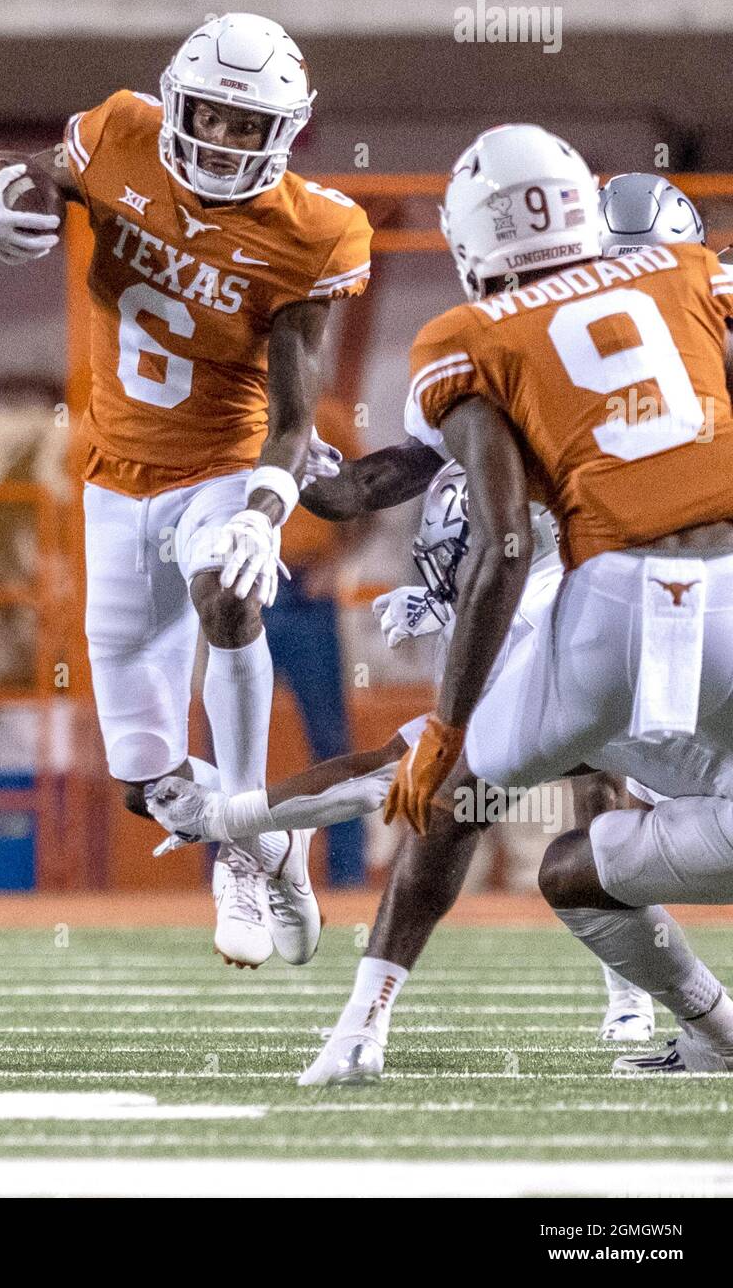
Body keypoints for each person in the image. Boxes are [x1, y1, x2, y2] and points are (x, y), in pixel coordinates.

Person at [149, 153, 733, 1079]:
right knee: (565, 809)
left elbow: (495, 563)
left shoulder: (503, 339)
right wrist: (303, 470)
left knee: (477, 767)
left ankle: (355, 999)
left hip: (621, 607)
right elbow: (398, 482)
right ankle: (685, 1023)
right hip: (649, 615)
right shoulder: (680, 298)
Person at [0, 13, 372, 968]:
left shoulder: (314, 231)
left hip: (223, 464)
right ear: (175, 101)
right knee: (146, 783)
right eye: (211, 114)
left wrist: (263, 510)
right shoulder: (119, 131)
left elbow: (295, 418)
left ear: (284, 134)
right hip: (115, 485)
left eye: (250, 125)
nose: (225, 139)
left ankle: (245, 845)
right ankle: (270, 832)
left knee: (228, 593)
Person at [264, 396, 371, 884]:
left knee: (330, 739)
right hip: (249, 585)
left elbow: (365, 491)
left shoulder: (325, 416)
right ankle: (233, 872)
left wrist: (336, 562)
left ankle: (346, 876)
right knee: (230, 739)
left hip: (305, 585)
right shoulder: (232, 412)